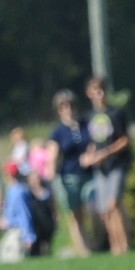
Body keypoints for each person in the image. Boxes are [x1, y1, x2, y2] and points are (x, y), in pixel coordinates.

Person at [82, 75, 131, 255]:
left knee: (113, 204)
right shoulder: (90, 117)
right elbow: (92, 141)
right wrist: (89, 156)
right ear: (90, 94)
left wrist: (105, 153)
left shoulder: (116, 114)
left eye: (102, 90)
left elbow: (124, 140)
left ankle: (124, 245)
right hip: (100, 168)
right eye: (96, 90)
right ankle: (115, 245)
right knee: (105, 211)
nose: (100, 94)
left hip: (115, 164)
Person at [47, 89, 94, 256]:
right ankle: (83, 250)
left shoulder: (86, 125)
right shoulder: (58, 132)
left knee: (94, 208)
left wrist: (92, 155)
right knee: (76, 216)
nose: (68, 109)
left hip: (90, 175)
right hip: (69, 176)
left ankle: (96, 243)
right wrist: (52, 176)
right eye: (63, 106)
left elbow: (96, 141)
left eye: (70, 105)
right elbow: (53, 154)